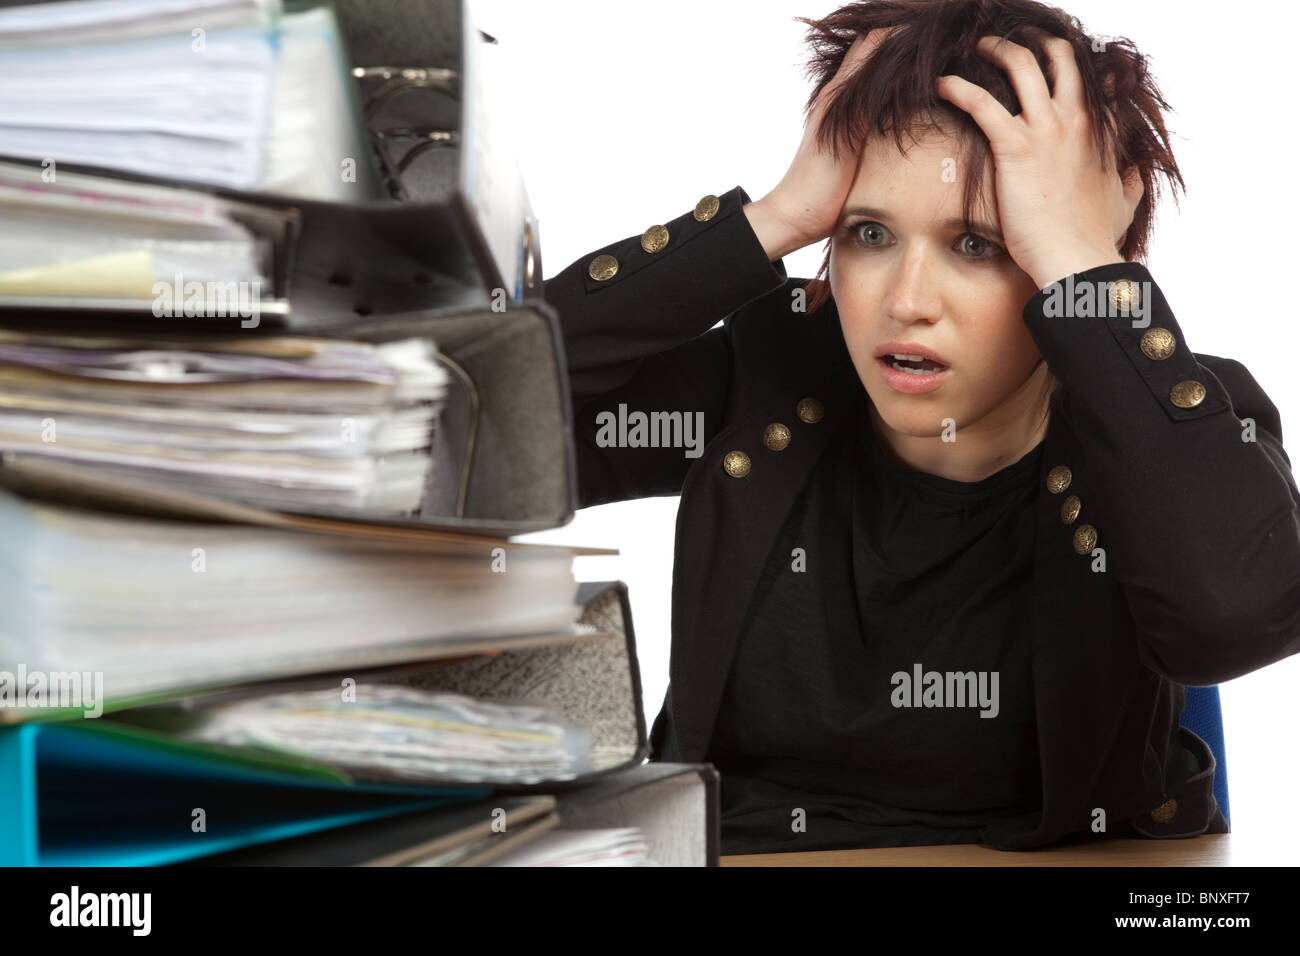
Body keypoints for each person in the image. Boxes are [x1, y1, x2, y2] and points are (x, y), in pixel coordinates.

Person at [541, 0, 1300, 855]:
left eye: (977, 244)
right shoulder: (768, 376)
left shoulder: (1169, 415)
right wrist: (775, 219)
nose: (905, 303)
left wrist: (1089, 270)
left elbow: (1234, 617)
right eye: (868, 233)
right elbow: (483, 416)